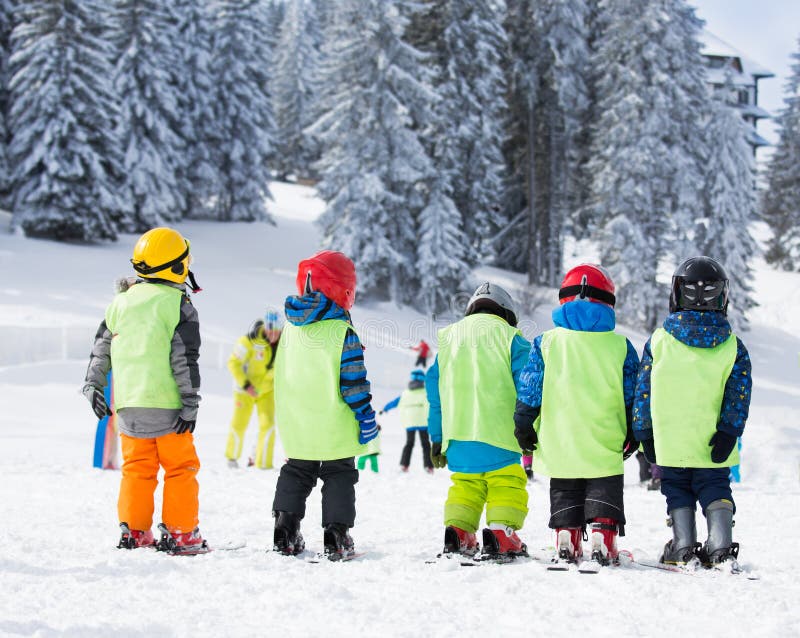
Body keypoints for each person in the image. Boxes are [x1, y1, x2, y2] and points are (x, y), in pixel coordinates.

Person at [82, 227, 206, 553]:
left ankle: (134, 532)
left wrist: (93, 383)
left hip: (128, 407)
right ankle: (181, 533)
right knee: (180, 469)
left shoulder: (120, 302)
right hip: (168, 408)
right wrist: (190, 402)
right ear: (177, 267)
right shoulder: (178, 305)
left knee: (137, 470)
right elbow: (184, 359)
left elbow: (102, 347)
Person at [514, 264, 639, 566]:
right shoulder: (621, 346)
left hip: (560, 436)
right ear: (608, 302)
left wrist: (524, 422)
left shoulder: (546, 343)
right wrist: (634, 431)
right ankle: (603, 537)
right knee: (603, 483)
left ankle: (566, 536)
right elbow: (632, 393)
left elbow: (531, 386)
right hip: (605, 435)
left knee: (565, 485)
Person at [633, 256, 752, 568]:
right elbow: (739, 394)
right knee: (715, 487)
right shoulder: (733, 346)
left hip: (671, 441)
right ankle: (720, 544)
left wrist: (644, 433)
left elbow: (643, 391)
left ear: (676, 294)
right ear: (723, 296)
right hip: (713, 441)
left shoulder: (659, 341)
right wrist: (730, 430)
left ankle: (684, 544)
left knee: (677, 488)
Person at [271, 250, 379, 561]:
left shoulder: (289, 330)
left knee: (296, 472)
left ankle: (285, 527)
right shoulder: (342, 332)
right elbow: (354, 383)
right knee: (339, 474)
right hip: (334, 423)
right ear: (344, 291)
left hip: (297, 422)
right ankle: (337, 533)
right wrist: (366, 417)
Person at [427, 282, 532, 559]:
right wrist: (531, 426)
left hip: (458, 435)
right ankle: (501, 533)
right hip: (501, 433)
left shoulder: (449, 340)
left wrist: (437, 437)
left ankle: (458, 532)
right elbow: (529, 384)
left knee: (465, 484)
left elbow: (435, 392)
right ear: (507, 313)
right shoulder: (512, 337)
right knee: (506, 482)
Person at [224, 311, 282, 470]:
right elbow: (233, 363)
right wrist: (246, 385)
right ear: (265, 328)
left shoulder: (283, 345)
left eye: (277, 331)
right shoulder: (248, 341)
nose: (273, 335)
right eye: (270, 331)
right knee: (239, 424)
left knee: (268, 424)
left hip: (266, 391)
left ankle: (263, 464)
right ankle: (232, 458)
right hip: (244, 390)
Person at [379, 369, 433, 473]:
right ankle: (429, 466)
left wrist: (385, 408)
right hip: (423, 422)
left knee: (409, 443)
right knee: (425, 444)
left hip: (410, 422)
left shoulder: (405, 393)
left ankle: (404, 465)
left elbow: (394, 402)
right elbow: (435, 402)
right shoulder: (426, 392)